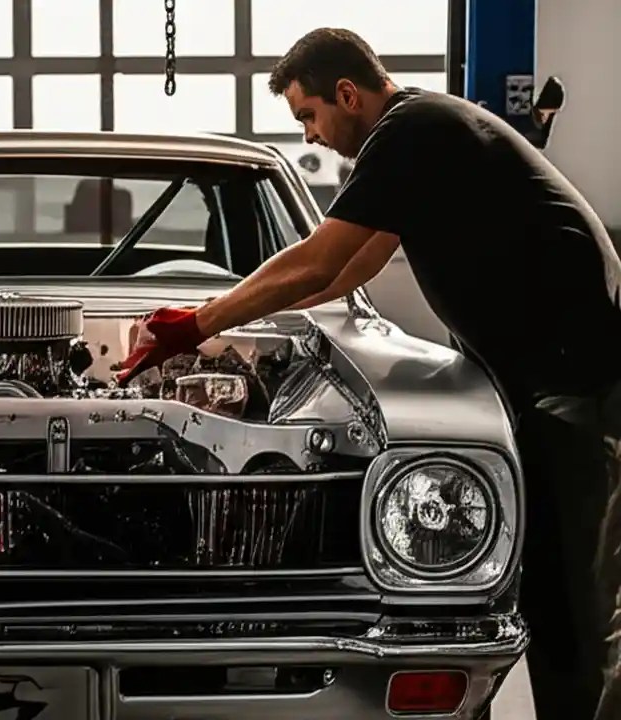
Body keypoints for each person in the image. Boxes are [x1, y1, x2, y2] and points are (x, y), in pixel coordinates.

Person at [114, 27, 621, 719]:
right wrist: (225, 319)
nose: (311, 136)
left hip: (576, 383)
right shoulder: (422, 136)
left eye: (308, 116)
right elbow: (350, 269)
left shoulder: (411, 131)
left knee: (571, 597)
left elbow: (322, 261)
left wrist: (199, 323)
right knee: (559, 592)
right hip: (553, 378)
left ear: (346, 93)